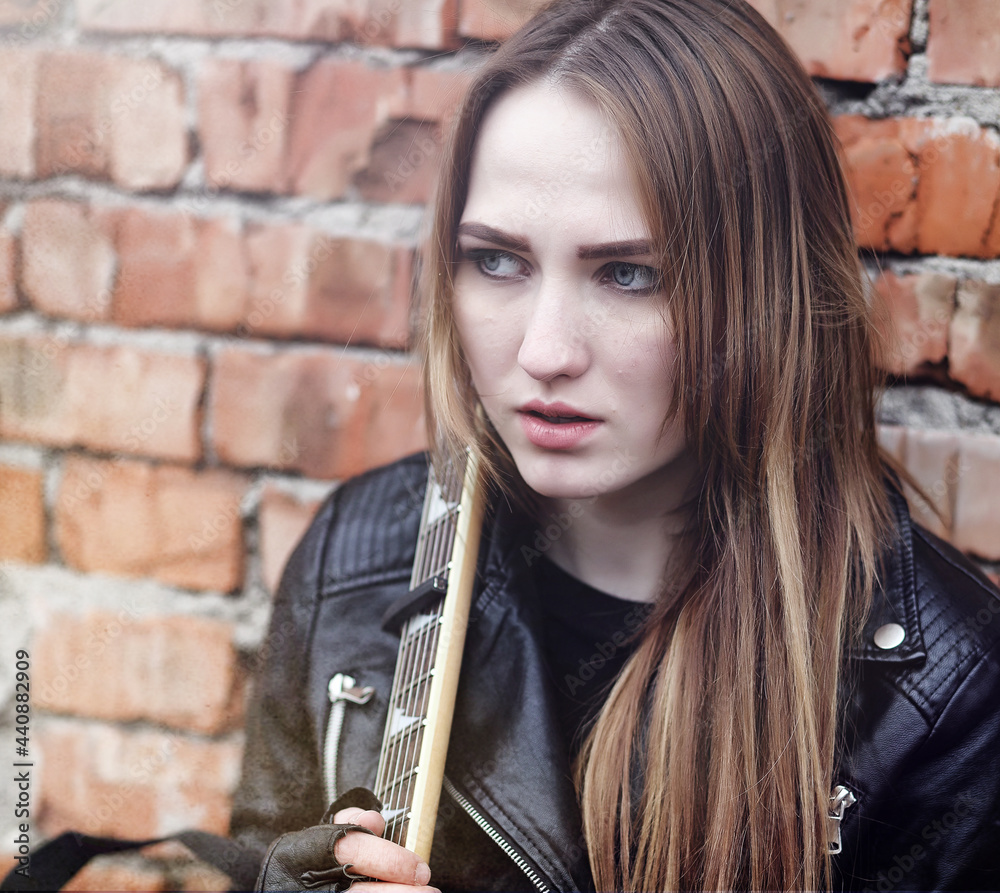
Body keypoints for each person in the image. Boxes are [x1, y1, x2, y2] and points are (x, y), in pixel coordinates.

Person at [230, 1, 1000, 890]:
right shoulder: (359, 561)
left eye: (631, 274)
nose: (545, 351)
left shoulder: (942, 701)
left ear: (765, 296)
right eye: (497, 260)